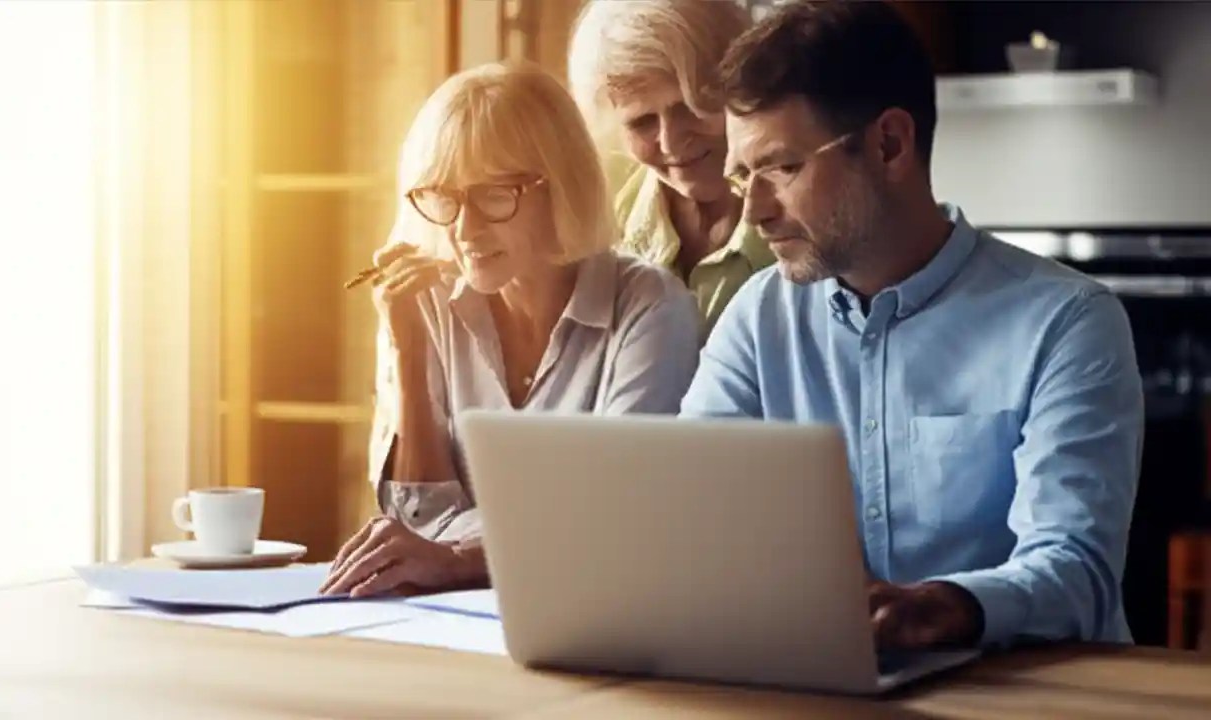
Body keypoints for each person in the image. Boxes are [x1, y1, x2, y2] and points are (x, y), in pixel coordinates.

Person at [681, 0, 1143, 651]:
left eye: (781, 168)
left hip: (1028, 690)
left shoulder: (1067, 322)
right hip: (823, 684)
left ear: (889, 144)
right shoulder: (757, 320)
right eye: (741, 175)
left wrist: (950, 606)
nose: (753, 210)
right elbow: (688, 513)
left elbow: (1078, 571)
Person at [321, 62, 700, 598]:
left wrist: (457, 559)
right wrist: (407, 345)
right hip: (451, 614)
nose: (463, 230)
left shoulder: (649, 308)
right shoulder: (425, 304)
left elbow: (616, 521)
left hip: (592, 609)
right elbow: (425, 517)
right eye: (443, 197)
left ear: (561, 185)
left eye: (495, 195)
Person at [568, 0, 774, 340]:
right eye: (642, 122)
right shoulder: (602, 225)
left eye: (691, 107)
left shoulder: (802, 220)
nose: (671, 142)